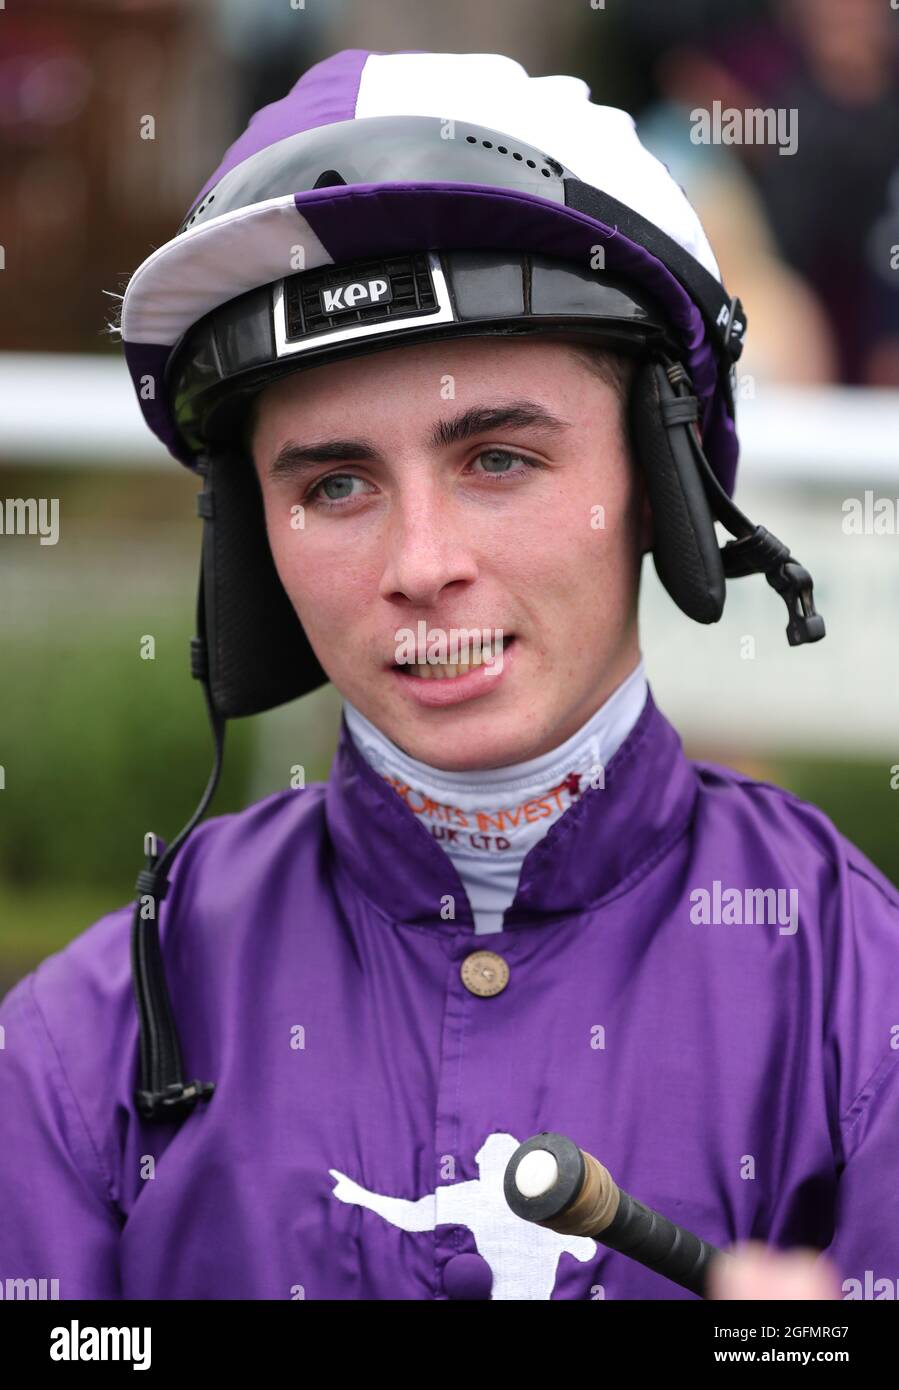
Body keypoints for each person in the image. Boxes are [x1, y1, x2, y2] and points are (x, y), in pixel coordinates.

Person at [1, 48, 896, 1303]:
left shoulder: (865, 1001)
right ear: (250, 544)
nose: (420, 565)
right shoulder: (69, 1045)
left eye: (498, 460)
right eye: (334, 484)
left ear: (666, 476)